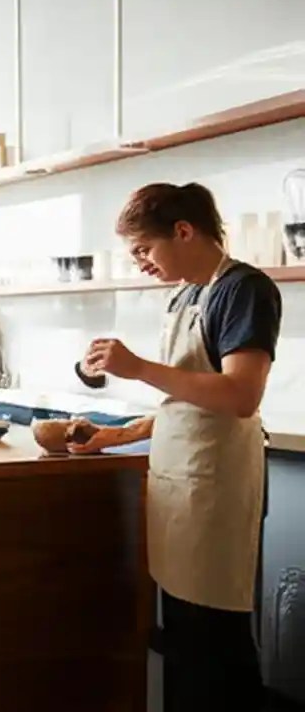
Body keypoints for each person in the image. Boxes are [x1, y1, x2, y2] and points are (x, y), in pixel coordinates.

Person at [70, 182, 279, 712]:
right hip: (181, 489)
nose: (139, 263)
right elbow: (184, 403)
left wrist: (137, 368)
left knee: (217, 645)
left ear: (183, 231)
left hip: (215, 491)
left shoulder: (244, 290)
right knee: (183, 641)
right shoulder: (186, 294)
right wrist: (116, 436)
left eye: (143, 249)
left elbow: (239, 396)